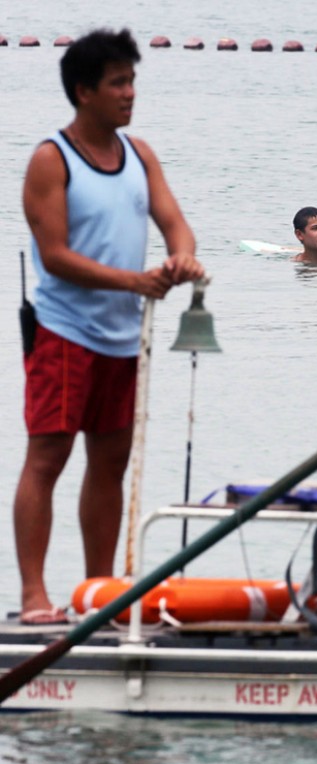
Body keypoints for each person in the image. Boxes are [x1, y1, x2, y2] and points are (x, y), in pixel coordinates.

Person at [14, 28, 205, 625]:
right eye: (118, 83)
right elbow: (55, 256)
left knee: (110, 463)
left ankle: (99, 593)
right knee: (48, 458)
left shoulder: (139, 154)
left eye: (132, 81)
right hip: (65, 332)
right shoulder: (52, 158)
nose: (129, 93)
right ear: (84, 91)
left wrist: (181, 258)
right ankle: (34, 597)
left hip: (125, 339)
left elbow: (175, 222)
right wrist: (133, 282)